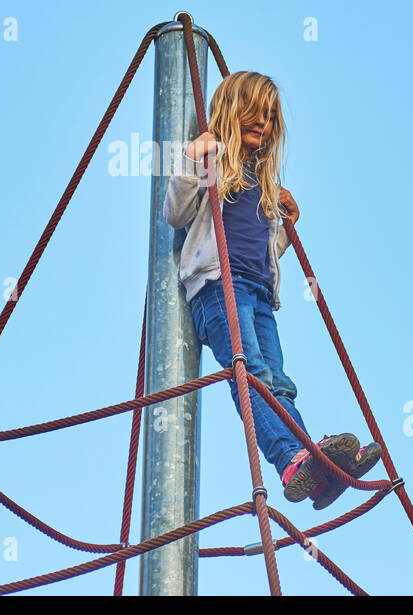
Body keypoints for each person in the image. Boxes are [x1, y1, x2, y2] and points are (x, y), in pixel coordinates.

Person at [162, 70, 381, 510]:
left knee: (278, 384)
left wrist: (285, 229)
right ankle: (292, 458)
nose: (262, 121)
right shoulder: (213, 163)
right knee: (254, 376)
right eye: (253, 112)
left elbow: (263, 254)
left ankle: (314, 470)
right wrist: (189, 158)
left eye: (269, 116)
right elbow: (176, 213)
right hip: (218, 288)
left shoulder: (259, 179)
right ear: (231, 111)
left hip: (258, 291)